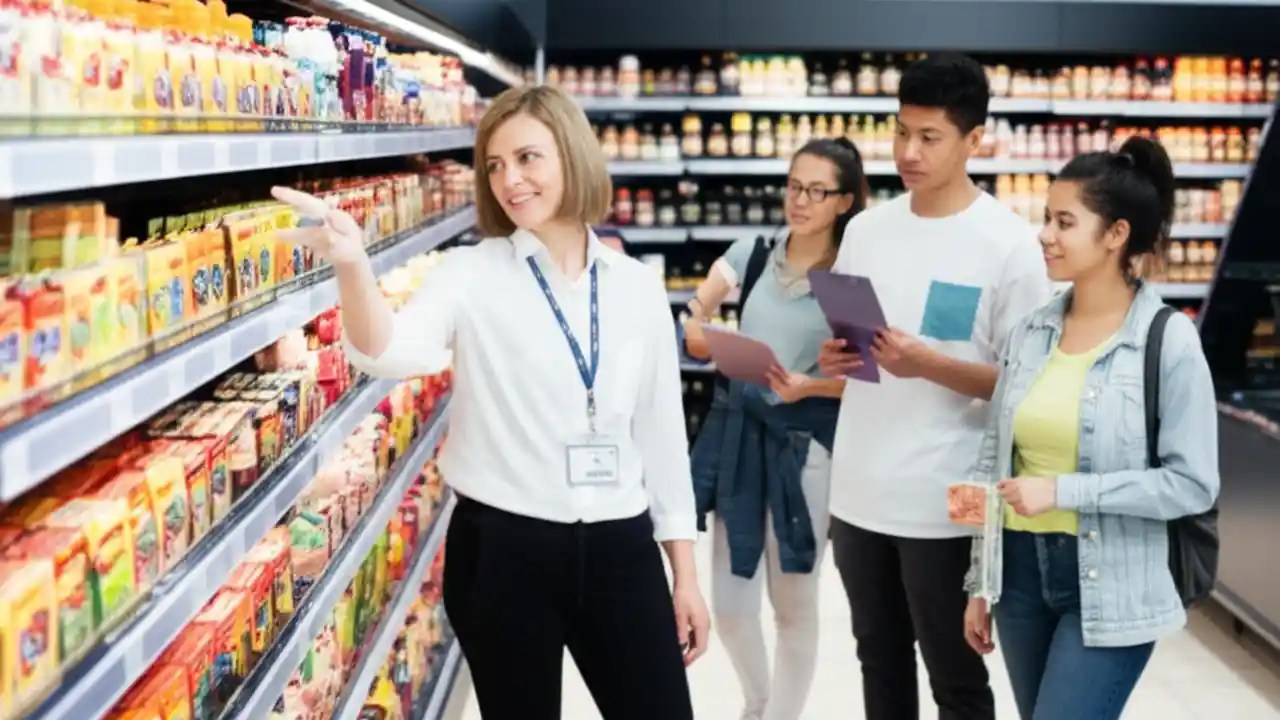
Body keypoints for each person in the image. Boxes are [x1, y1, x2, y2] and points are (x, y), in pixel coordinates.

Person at [268, 84, 709, 720]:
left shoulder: (636, 288)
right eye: (495, 166)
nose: (511, 180)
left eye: (528, 157)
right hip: (504, 551)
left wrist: (686, 576)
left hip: (620, 547)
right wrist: (352, 265)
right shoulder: (469, 275)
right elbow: (390, 351)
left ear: (571, 154)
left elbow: (664, 441)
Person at [816, 53, 1050, 719]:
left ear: (975, 140)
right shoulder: (865, 230)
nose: (908, 152)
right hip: (860, 493)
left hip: (951, 501)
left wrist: (930, 365)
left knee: (956, 678)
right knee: (878, 664)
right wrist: (840, 359)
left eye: (929, 137)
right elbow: (859, 356)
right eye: (900, 132)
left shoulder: (1007, 244)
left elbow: (1027, 385)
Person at [961, 136, 1220, 720]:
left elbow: (1192, 484)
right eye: (1047, 219)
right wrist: (982, 580)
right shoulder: (1031, 332)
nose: (1045, 235)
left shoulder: (1167, 340)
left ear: (1116, 235)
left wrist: (1063, 491)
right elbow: (993, 458)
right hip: (1021, 576)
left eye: (1064, 222)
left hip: (1113, 581)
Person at [682, 138, 868, 720]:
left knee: (794, 599)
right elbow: (694, 315)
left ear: (844, 201)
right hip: (740, 440)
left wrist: (807, 386)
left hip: (805, 449)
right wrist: (702, 332)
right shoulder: (750, 254)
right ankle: (758, 700)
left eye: (818, 191)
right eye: (794, 186)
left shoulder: (851, 279)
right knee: (732, 603)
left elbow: (868, 379)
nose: (802, 200)